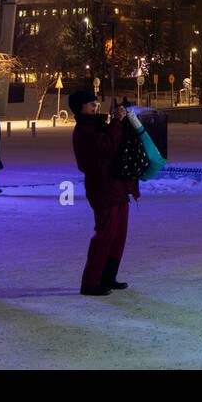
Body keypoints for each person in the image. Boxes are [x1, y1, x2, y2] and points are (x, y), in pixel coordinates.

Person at [70, 89, 138, 296]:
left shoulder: (96, 124)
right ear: (81, 108)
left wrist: (121, 122)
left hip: (116, 185)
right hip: (102, 187)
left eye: (96, 103)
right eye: (91, 104)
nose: (96, 106)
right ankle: (91, 281)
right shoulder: (84, 130)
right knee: (105, 234)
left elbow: (114, 142)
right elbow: (107, 146)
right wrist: (117, 123)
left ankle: (108, 277)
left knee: (118, 234)